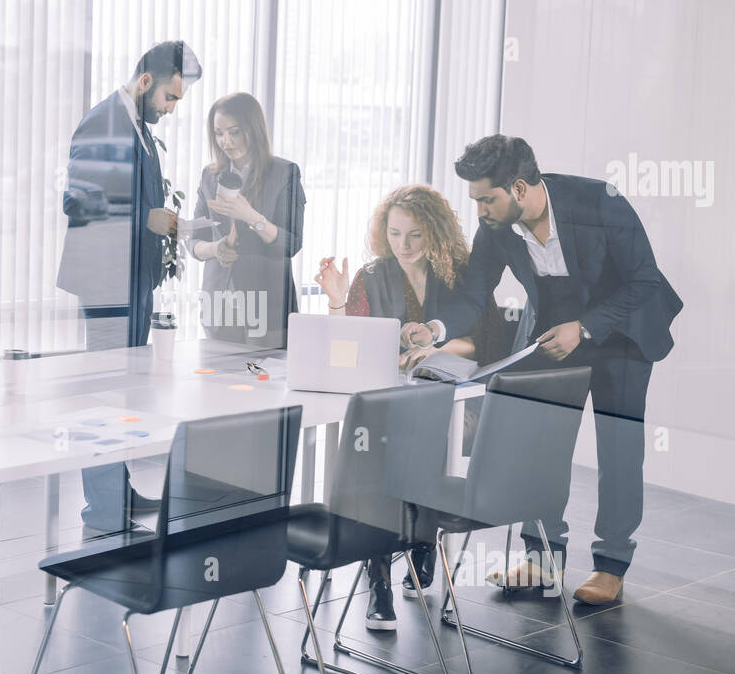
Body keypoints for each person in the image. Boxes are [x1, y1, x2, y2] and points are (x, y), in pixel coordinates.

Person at [422, 134, 683, 605]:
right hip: (553, 328)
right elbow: (473, 294)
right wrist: (435, 328)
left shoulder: (598, 202)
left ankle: (611, 564)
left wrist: (584, 328)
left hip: (622, 329)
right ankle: (542, 557)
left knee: (618, 448)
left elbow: (644, 279)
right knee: (541, 443)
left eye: (486, 199)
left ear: (519, 188)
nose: (479, 211)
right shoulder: (496, 228)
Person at [316, 185, 506, 630]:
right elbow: (346, 347)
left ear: (435, 234)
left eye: (415, 235)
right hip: (389, 400)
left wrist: (434, 347)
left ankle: (423, 538)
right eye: (395, 233)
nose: (403, 245)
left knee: (429, 438)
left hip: (448, 395)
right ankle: (378, 573)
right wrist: (338, 301)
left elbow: (485, 341)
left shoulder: (459, 276)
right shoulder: (372, 275)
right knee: (379, 450)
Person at [55, 40, 203, 537]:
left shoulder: (136, 124)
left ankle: (117, 491)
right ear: (145, 82)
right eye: (170, 98)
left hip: (129, 278)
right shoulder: (103, 123)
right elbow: (77, 204)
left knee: (121, 391)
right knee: (103, 395)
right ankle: (101, 510)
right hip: (106, 282)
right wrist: (148, 218)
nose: (172, 109)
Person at [190, 92, 305, 349]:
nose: (226, 141)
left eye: (235, 132)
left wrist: (251, 216)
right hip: (219, 304)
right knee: (217, 384)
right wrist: (215, 249)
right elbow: (195, 239)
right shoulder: (210, 176)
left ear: (253, 130)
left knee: (262, 380)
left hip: (266, 304)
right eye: (219, 133)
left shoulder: (284, 172)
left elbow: (292, 244)